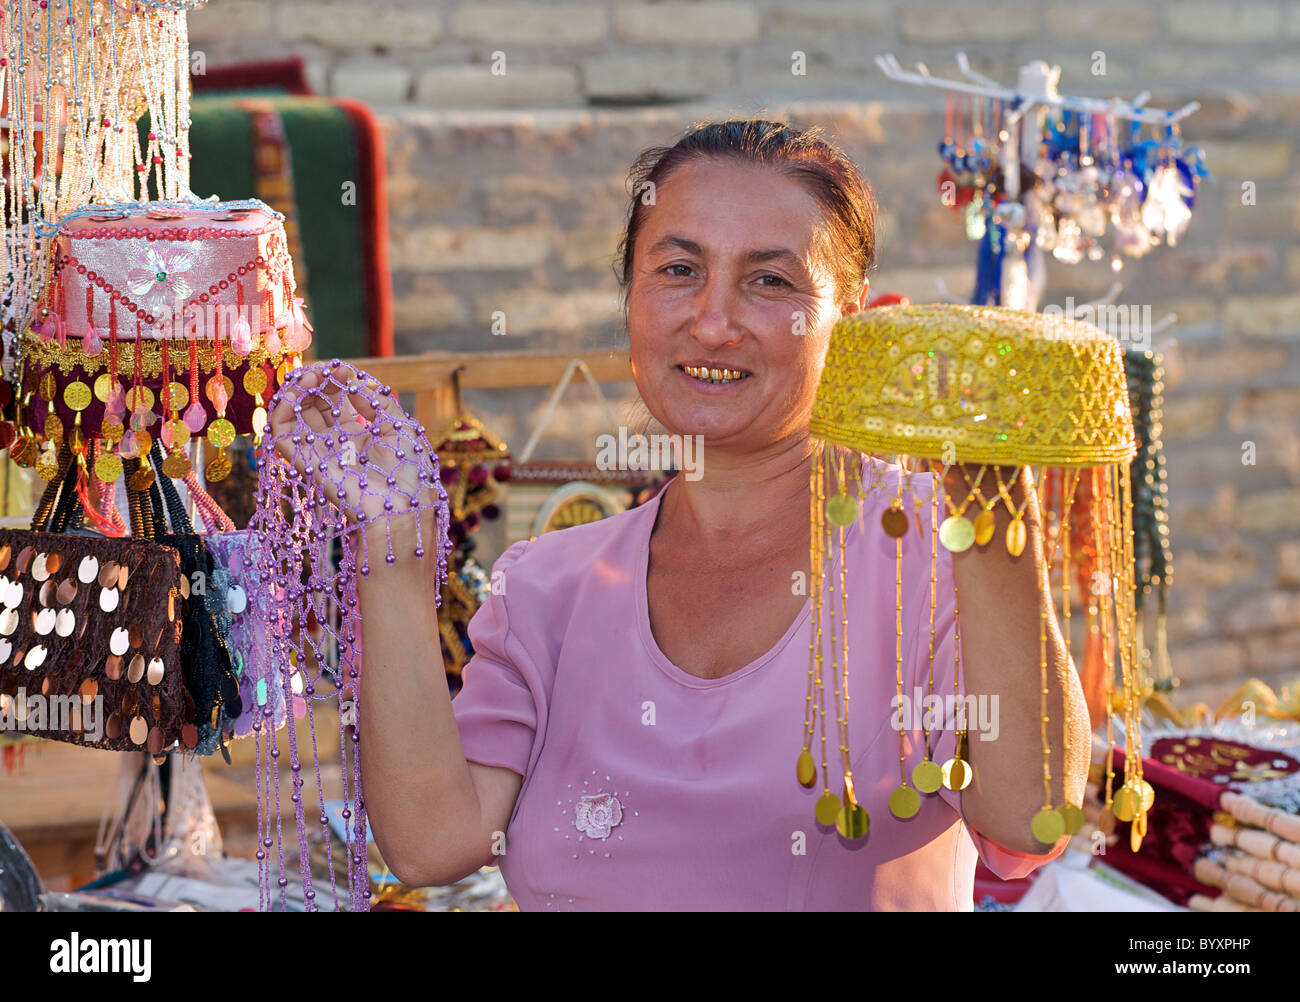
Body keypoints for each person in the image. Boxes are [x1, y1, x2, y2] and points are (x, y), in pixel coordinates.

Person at [274, 119, 1087, 911]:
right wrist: (391, 545)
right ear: (631, 293)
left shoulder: (936, 556)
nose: (713, 321)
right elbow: (431, 843)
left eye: (770, 280)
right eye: (678, 270)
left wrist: (989, 491)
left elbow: (1028, 820)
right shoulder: (552, 584)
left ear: (853, 314)